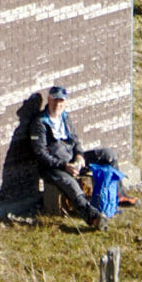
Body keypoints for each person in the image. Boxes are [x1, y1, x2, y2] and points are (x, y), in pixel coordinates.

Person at [29, 85, 102, 228]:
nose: (58, 104)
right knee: (71, 184)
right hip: (53, 167)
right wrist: (64, 166)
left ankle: (118, 196)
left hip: (72, 160)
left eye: (61, 101)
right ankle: (92, 217)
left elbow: (75, 140)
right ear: (49, 100)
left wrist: (79, 156)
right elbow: (41, 154)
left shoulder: (65, 117)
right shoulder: (40, 123)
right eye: (55, 100)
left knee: (107, 155)